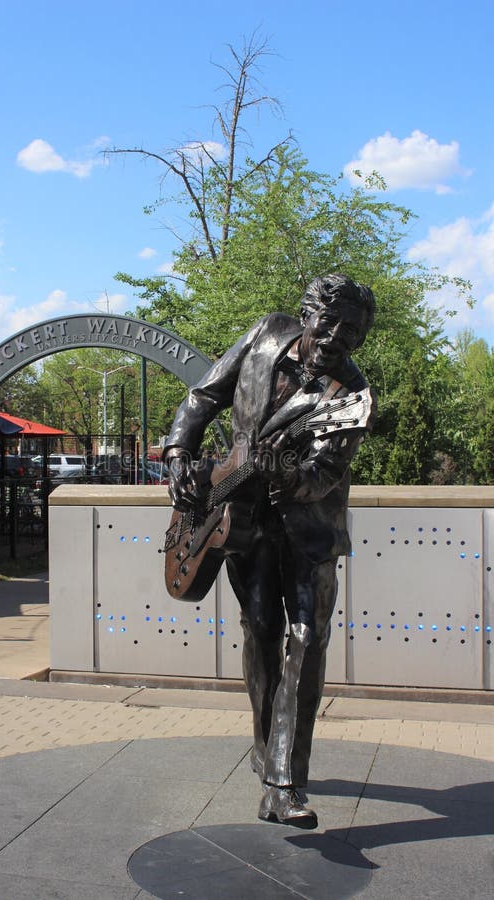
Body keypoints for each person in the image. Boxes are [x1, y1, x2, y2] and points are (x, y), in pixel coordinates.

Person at [163, 273, 376, 828]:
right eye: (328, 322)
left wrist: (286, 471)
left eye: (350, 331)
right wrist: (179, 453)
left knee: (305, 641)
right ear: (307, 314)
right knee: (259, 630)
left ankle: (285, 783)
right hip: (240, 519)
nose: (336, 337)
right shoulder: (264, 334)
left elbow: (322, 475)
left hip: (309, 531)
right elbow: (203, 395)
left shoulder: (351, 398)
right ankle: (265, 747)